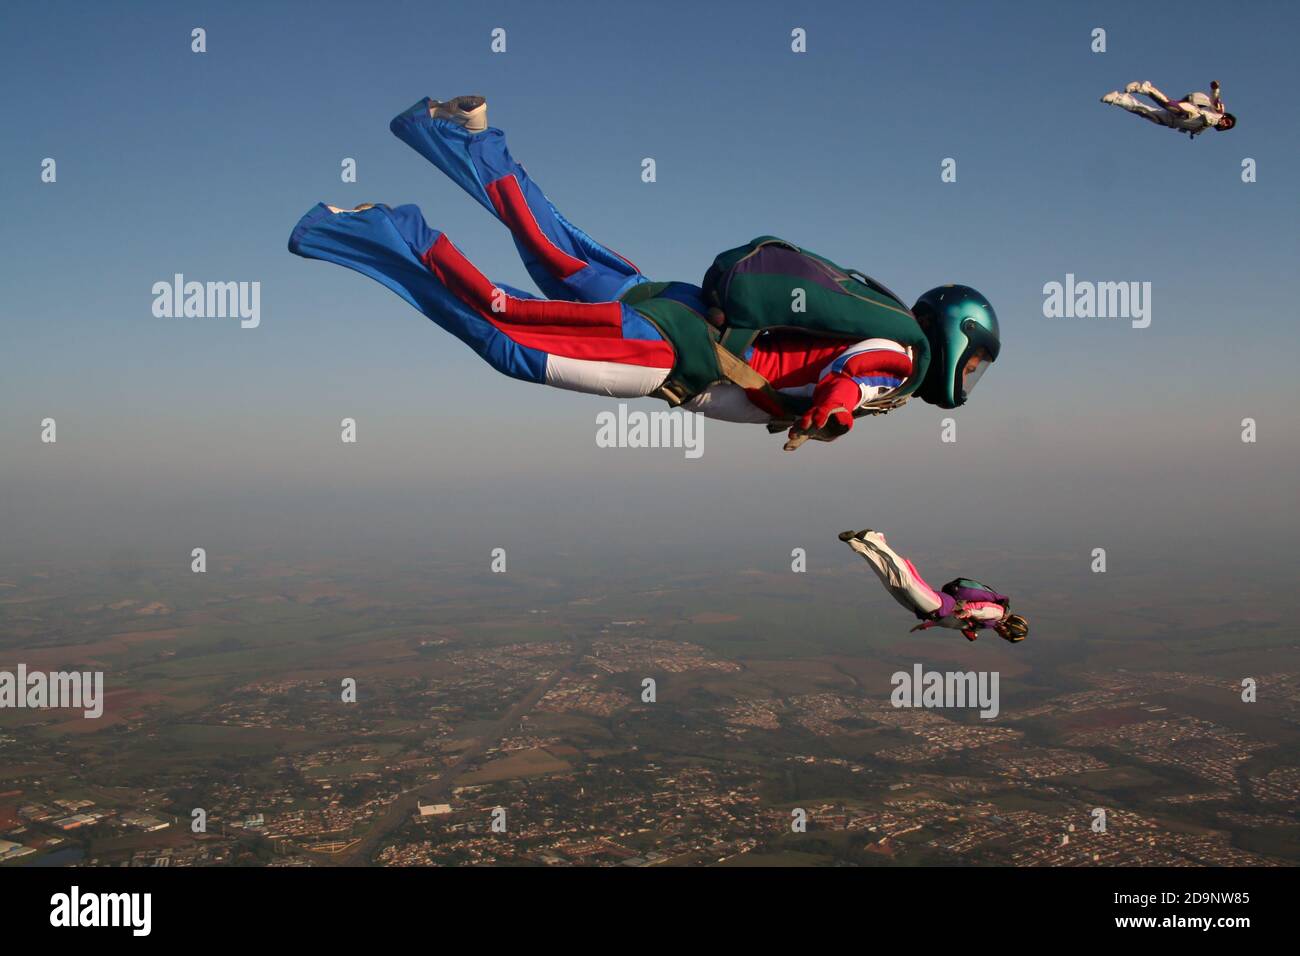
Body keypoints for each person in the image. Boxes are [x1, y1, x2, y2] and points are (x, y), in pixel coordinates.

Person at [289, 96, 1002, 451]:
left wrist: (830, 398)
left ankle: (463, 136)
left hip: (667, 298)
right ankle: (381, 230)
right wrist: (837, 403)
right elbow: (864, 364)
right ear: (957, 338)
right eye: (976, 366)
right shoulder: (902, 360)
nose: (968, 379)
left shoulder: (881, 310)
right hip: (670, 349)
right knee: (508, 333)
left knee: (552, 250)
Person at [838, 529, 1028, 643]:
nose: (1004, 636)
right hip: (940, 605)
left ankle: (858, 545)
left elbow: (956, 623)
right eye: (1008, 636)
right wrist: (967, 611)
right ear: (1010, 629)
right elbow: (981, 608)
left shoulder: (988, 623)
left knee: (892, 584)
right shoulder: (997, 615)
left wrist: (928, 624)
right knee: (905, 580)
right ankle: (874, 539)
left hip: (929, 612)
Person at [1101, 80, 1236, 138]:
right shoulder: (1218, 113)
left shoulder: (1202, 129)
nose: (1225, 124)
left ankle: (1118, 99)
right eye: (1227, 121)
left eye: (1227, 126)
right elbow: (1215, 99)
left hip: (1173, 122)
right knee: (1168, 104)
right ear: (1226, 117)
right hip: (1190, 112)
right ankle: (1145, 88)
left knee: (1145, 112)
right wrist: (1215, 88)